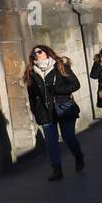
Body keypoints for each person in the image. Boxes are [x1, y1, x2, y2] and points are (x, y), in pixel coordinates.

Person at [25, 44, 84, 181]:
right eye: (34, 53)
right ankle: (57, 169)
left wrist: (58, 90)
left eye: (39, 52)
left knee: (68, 136)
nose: (36, 55)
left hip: (63, 107)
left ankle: (78, 156)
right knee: (51, 142)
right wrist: (35, 110)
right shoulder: (32, 72)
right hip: (45, 112)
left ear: (47, 53)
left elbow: (75, 84)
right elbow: (31, 95)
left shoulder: (59, 66)